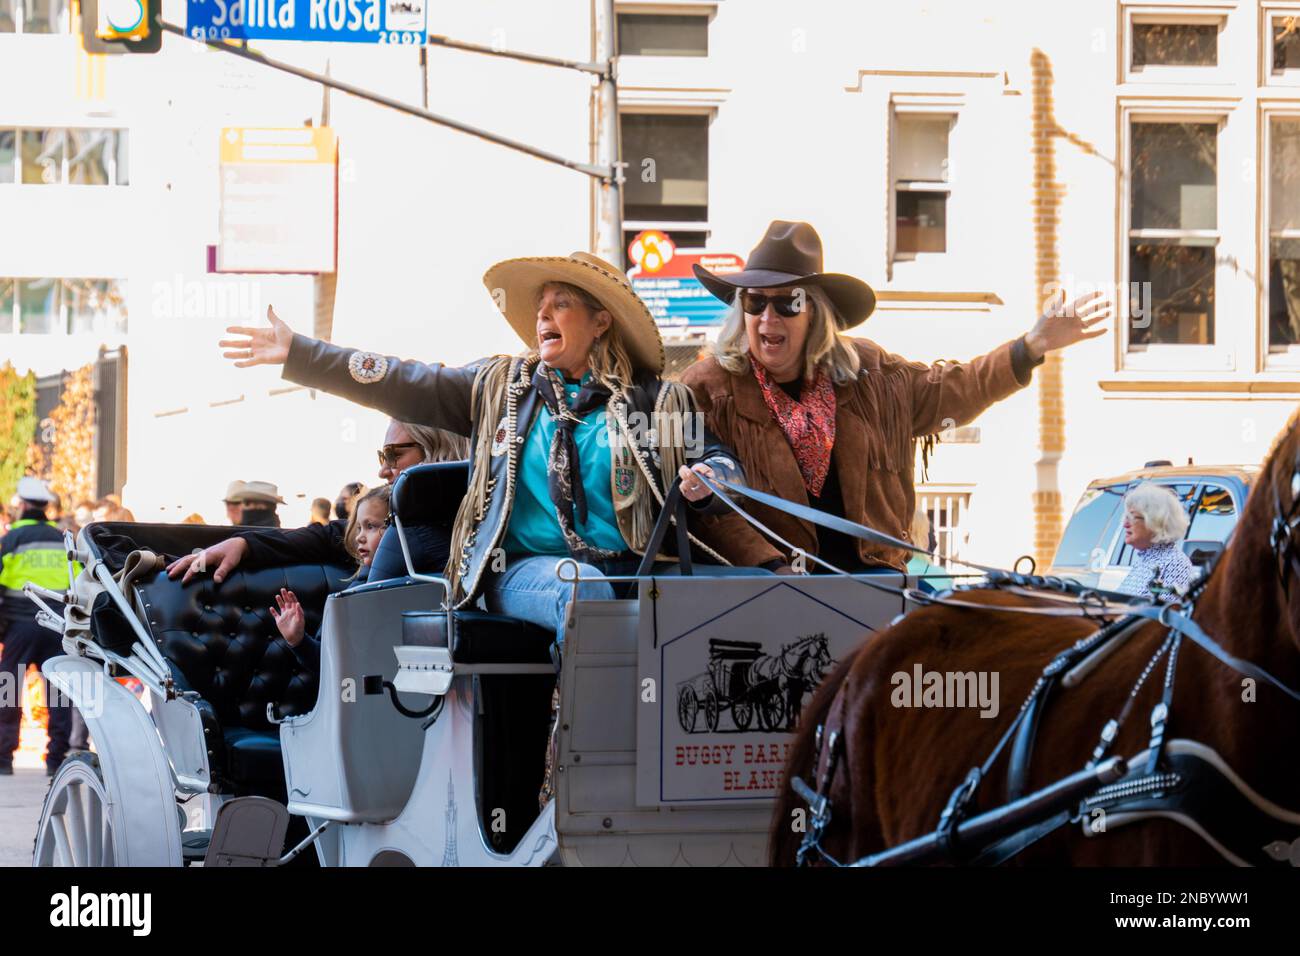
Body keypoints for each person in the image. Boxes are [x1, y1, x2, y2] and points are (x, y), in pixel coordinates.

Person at [210, 250, 755, 648]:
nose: (542, 316)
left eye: (560, 304)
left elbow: (718, 463)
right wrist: (303, 355)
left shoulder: (654, 402)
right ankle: (589, 772)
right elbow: (404, 380)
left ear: (600, 322)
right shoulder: (499, 389)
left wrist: (712, 481)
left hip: (632, 569)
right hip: (518, 570)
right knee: (582, 591)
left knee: (754, 599)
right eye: (540, 307)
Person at [681, 220, 1112, 574]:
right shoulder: (708, 386)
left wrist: (1029, 347)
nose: (768, 317)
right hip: (763, 594)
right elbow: (704, 506)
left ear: (815, 313)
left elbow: (952, 390)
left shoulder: (868, 373)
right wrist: (771, 567)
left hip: (872, 584)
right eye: (756, 303)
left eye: (787, 304)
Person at [166, 417, 468, 586]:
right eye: (382, 456)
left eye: (394, 455)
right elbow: (329, 536)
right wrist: (243, 544)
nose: (382, 469)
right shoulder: (396, 521)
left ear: (436, 453)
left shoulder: (409, 532)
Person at [0, 478, 80, 776]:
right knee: (58, 694)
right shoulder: (62, 539)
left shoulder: (9, 542)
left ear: (21, 506)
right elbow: (79, 581)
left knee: (8, 689)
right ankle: (56, 759)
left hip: (18, 626)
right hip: (57, 626)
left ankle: (4, 758)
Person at [270, 486, 392, 673]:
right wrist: (298, 640)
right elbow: (325, 664)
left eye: (371, 526)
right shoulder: (353, 592)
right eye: (359, 527)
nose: (359, 537)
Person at [1115, 482, 1194, 600]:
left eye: (1132, 517)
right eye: (1126, 517)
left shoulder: (1175, 564)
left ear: (1157, 522)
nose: (1125, 524)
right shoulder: (1146, 559)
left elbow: (1165, 615)